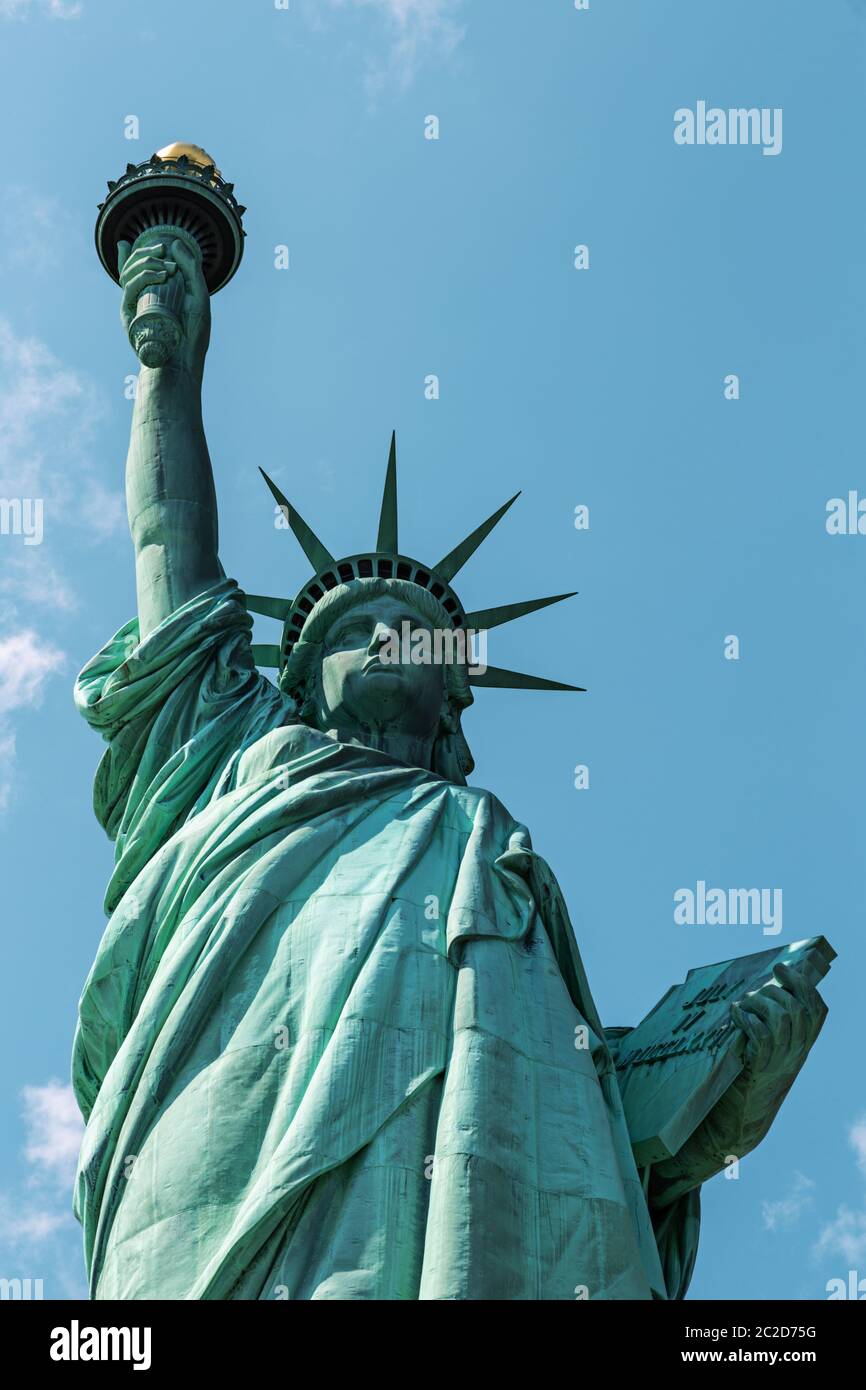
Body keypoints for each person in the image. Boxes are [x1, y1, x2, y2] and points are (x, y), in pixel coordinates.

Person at [71, 236, 826, 1300]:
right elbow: (169, 549)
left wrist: (719, 1105)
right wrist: (170, 369)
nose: (389, 639)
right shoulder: (237, 755)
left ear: (452, 698)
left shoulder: (496, 852)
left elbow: (588, 1135)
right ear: (296, 677)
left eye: (415, 635)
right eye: (356, 626)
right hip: (231, 1150)